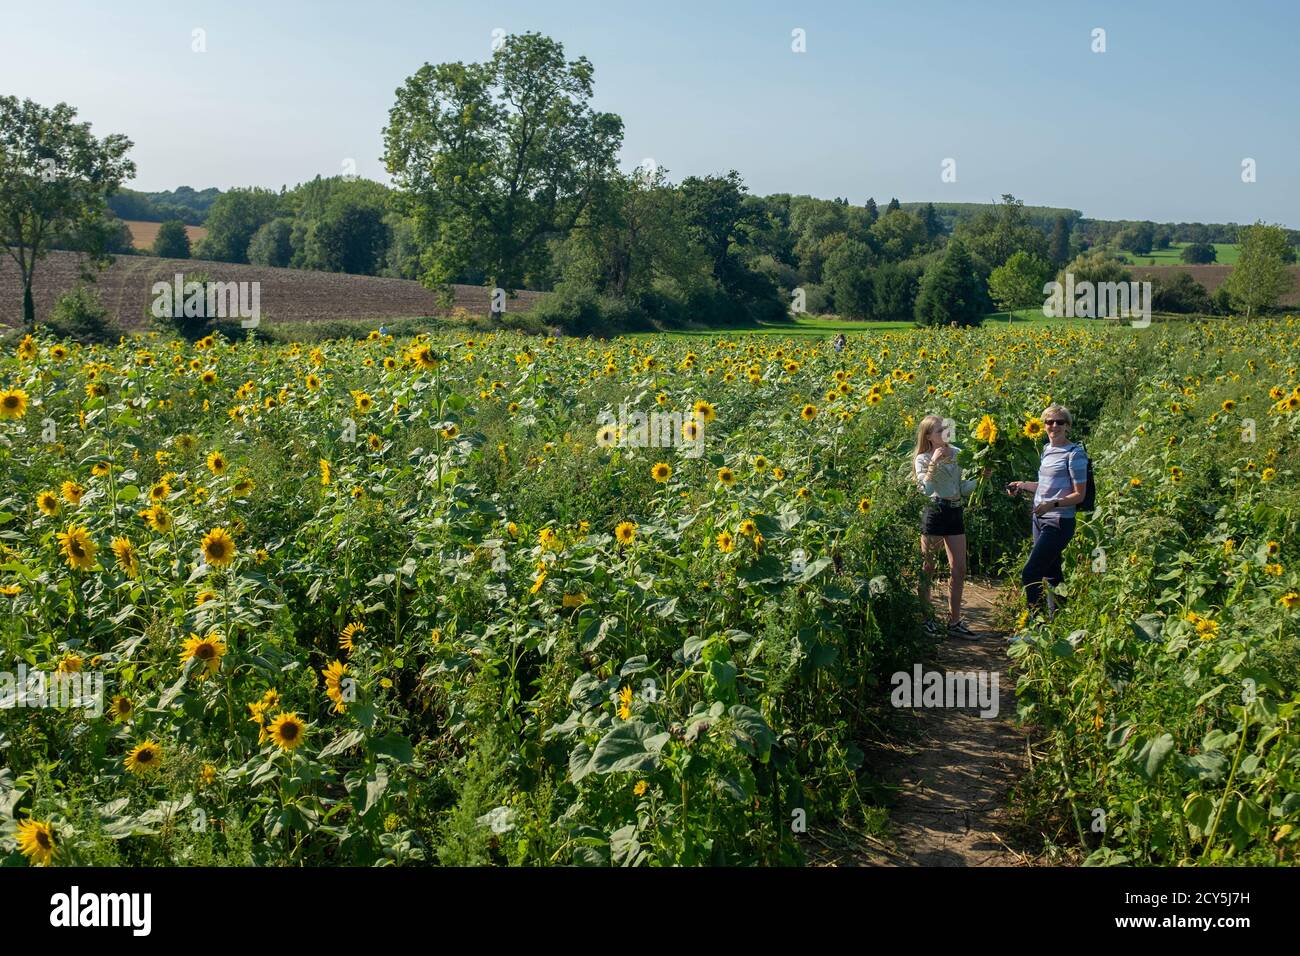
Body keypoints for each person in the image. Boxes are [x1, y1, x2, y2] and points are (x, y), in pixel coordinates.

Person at [1006, 404, 1089, 617]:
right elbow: (1045, 486)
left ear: (1067, 426)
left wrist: (1051, 504)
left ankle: (1036, 625)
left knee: (1030, 572)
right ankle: (1060, 623)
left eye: (1060, 422)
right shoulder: (1047, 450)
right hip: (1039, 519)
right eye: (1049, 422)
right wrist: (1023, 485)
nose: (1054, 426)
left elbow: (1079, 495)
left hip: (1058, 521)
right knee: (1052, 574)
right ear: (1043, 426)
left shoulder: (1074, 454)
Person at [913, 415, 978, 638]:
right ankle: (926, 619)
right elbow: (927, 490)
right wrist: (934, 462)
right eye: (939, 431)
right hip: (934, 511)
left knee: (959, 569)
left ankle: (954, 621)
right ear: (929, 436)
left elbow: (964, 488)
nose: (945, 433)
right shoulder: (923, 458)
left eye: (946, 429)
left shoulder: (958, 453)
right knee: (927, 569)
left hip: (955, 511)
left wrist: (981, 477)